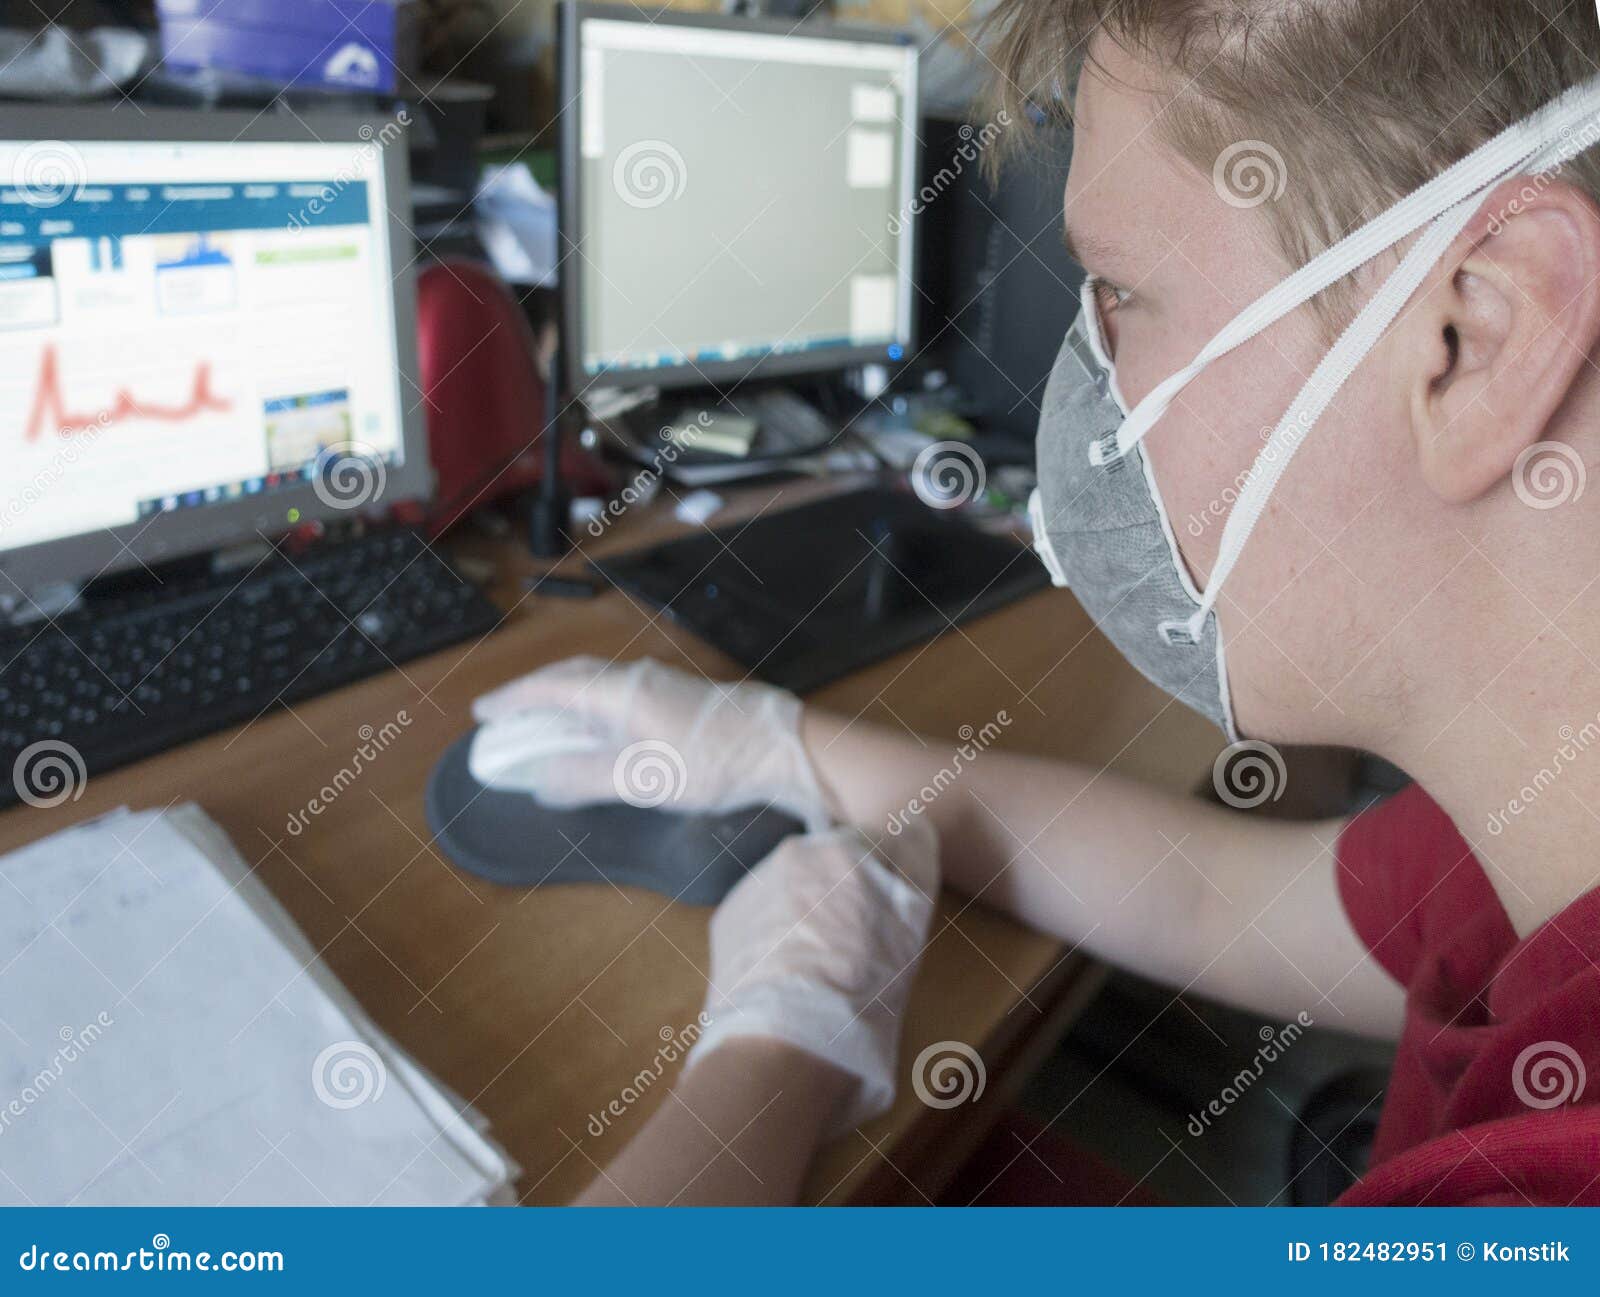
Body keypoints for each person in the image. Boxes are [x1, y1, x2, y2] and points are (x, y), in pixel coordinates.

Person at [479, 0, 1600, 1205]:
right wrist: (773, 745)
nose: (1087, 387)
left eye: (1118, 294)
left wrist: (775, 1053)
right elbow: (1212, 893)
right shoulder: (1529, 830)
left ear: (1475, 337)